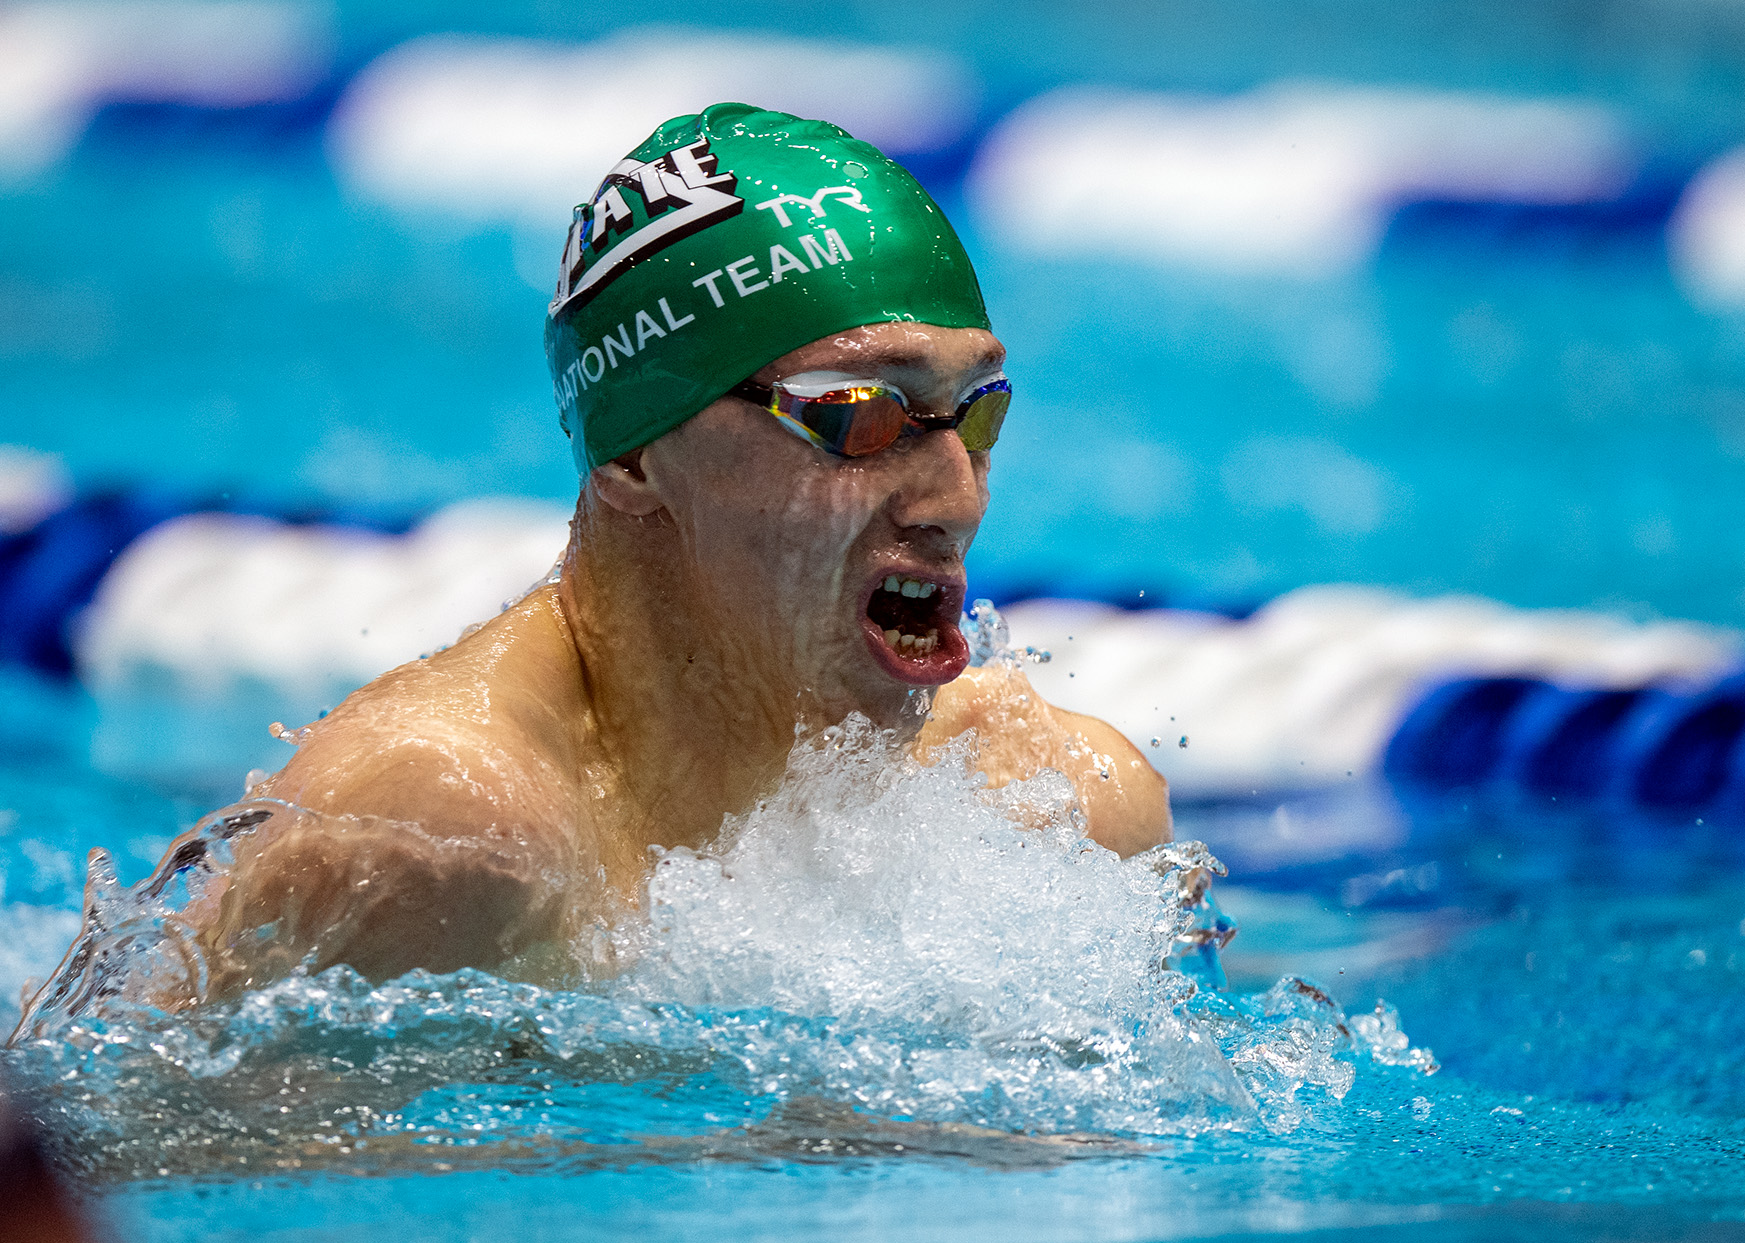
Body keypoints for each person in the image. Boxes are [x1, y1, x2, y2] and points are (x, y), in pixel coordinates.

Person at [27, 103, 1170, 1012]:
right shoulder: (442, 839)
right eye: (857, 415)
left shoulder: (1058, 813)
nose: (953, 497)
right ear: (632, 454)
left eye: (974, 411)